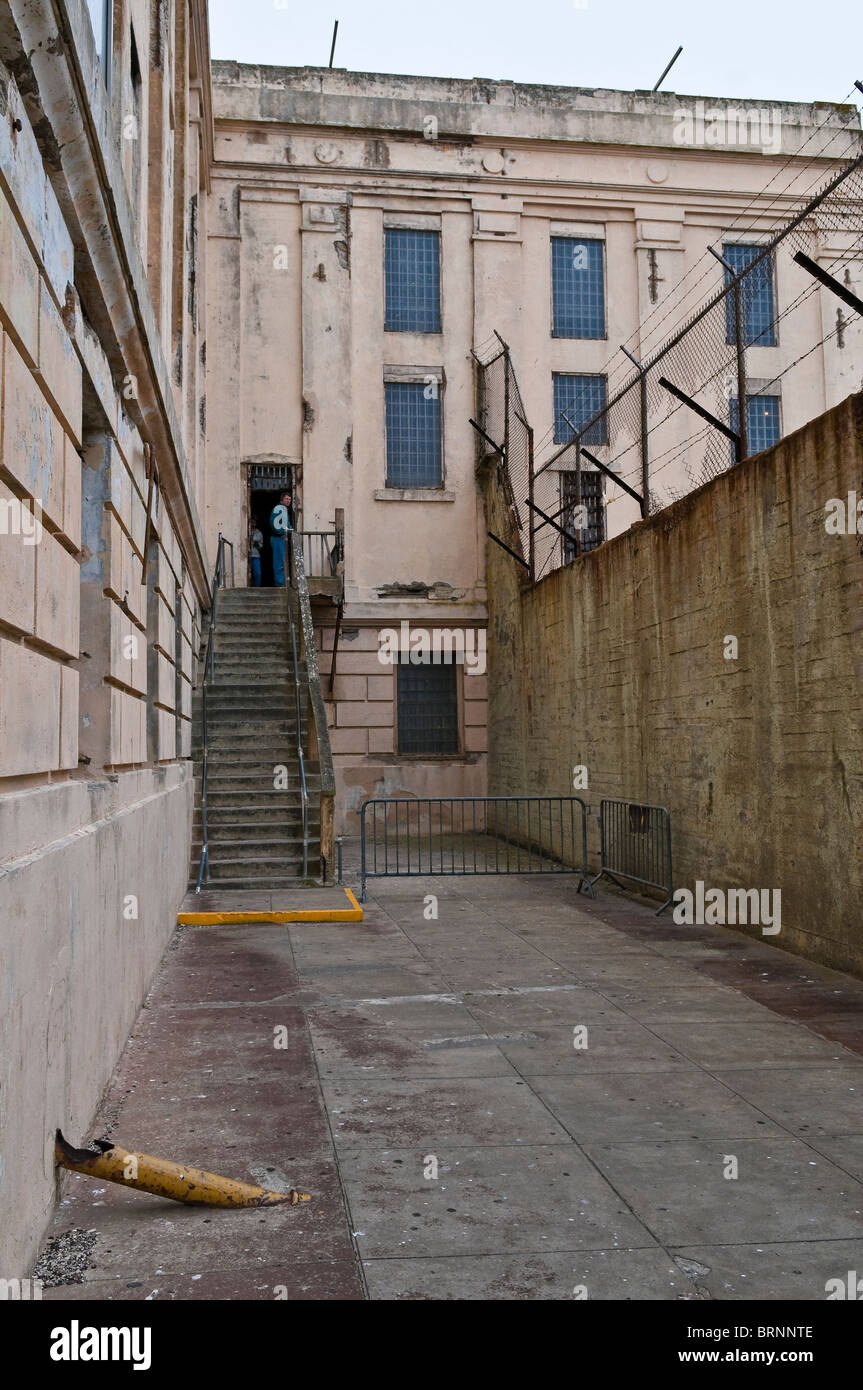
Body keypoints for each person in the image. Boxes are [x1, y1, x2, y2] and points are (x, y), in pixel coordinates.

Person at [269, 492, 292, 587]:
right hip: (278, 538)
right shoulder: (278, 508)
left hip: (282, 539)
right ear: (282, 500)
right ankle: (279, 585)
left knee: (283, 561)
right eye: (287, 499)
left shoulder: (284, 510)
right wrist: (282, 533)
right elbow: (273, 524)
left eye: (290, 499)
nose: (288, 501)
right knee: (279, 562)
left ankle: (283, 584)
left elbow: (286, 524)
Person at [249, 520, 263, 587]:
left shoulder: (259, 533)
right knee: (248, 574)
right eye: (252, 519)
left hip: (255, 555)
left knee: (257, 574)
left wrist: (257, 544)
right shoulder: (246, 531)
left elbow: (261, 547)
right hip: (247, 556)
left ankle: (256, 588)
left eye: (255, 520)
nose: (253, 522)